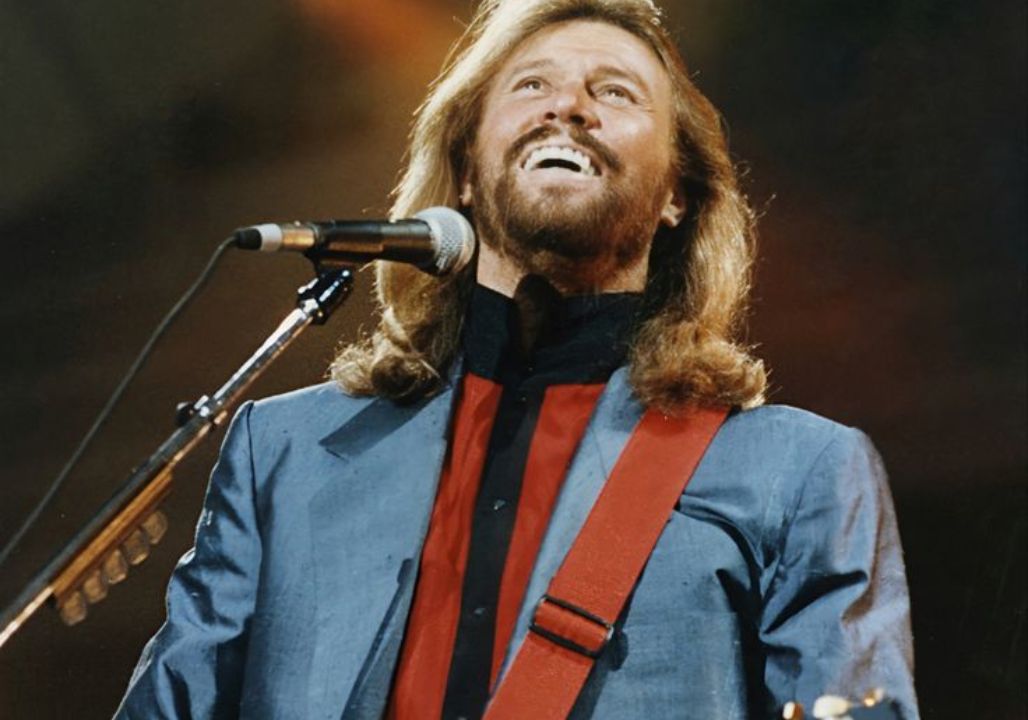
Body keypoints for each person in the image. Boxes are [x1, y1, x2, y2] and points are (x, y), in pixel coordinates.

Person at [116, 0, 919, 718]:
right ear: (465, 172)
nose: (568, 105)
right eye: (531, 85)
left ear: (678, 194)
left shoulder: (800, 471)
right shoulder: (283, 455)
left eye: (615, 92)